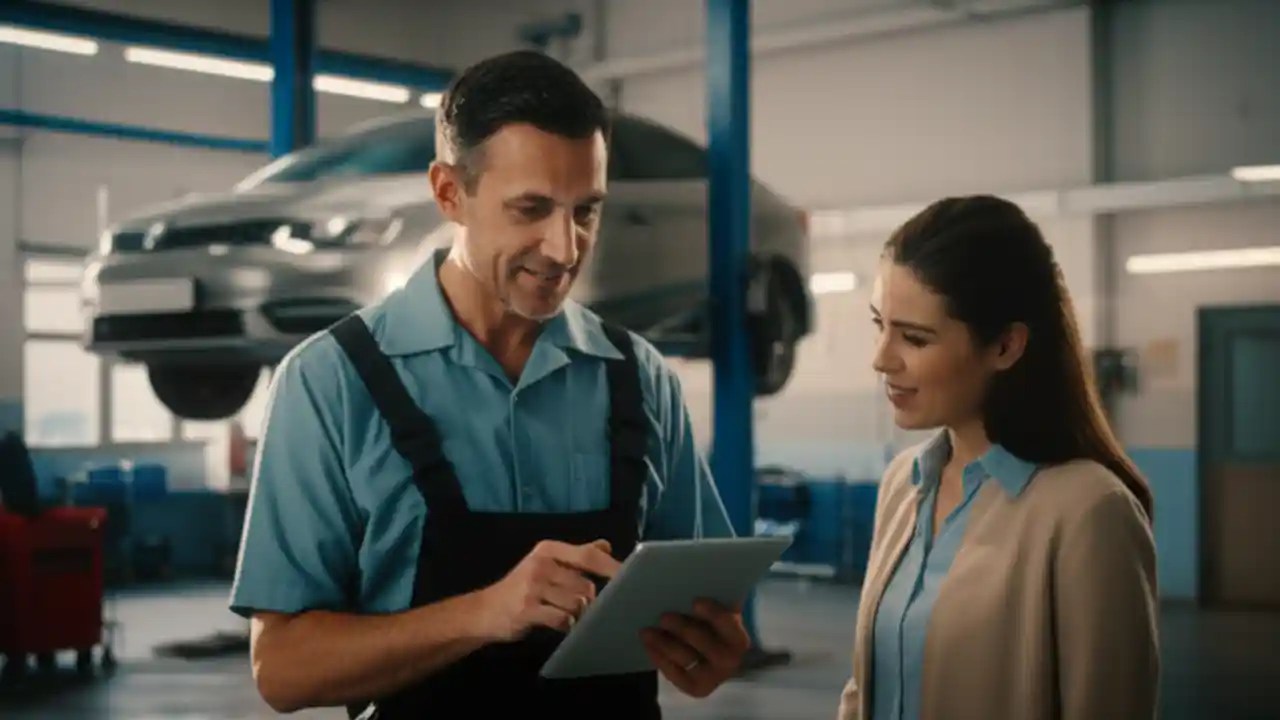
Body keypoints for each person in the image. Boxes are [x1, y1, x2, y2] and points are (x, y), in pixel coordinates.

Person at [230, 50, 750, 719]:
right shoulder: (331, 382)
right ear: (449, 192)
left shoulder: (640, 377)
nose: (564, 248)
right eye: (530, 208)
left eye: (586, 210)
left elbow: (703, 623)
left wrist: (708, 650)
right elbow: (283, 670)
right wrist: (485, 613)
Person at [837, 196, 1159, 720]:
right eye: (880, 325)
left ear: (1006, 346)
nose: (881, 358)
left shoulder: (1089, 512)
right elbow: (866, 687)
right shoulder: (905, 483)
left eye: (915, 338)